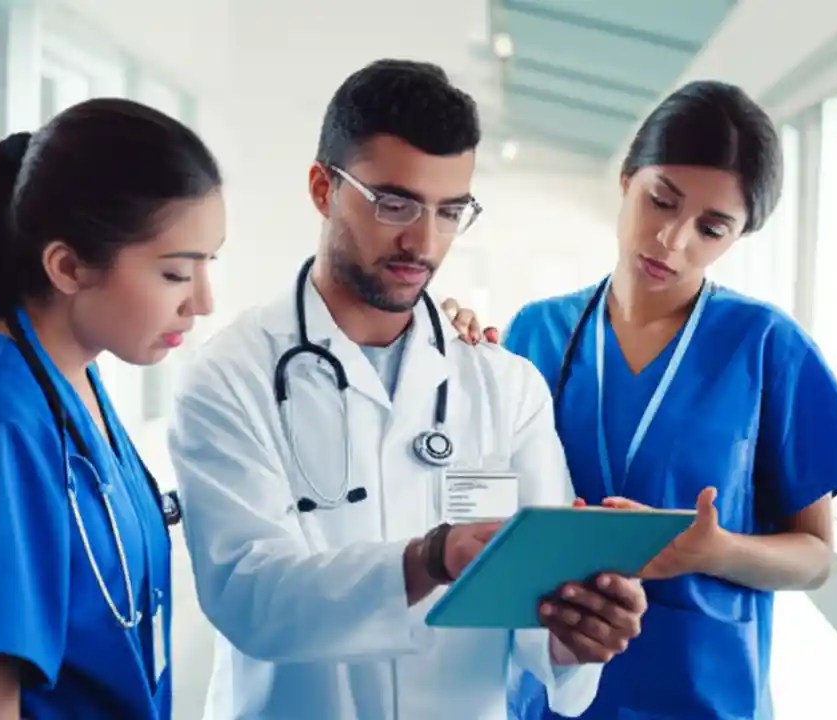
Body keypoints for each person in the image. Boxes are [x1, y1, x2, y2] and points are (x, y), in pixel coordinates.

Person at [168, 59, 646, 720]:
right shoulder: (230, 377)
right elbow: (248, 596)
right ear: (321, 188)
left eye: (450, 211)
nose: (423, 241)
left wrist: (576, 635)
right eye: (394, 204)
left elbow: (537, 601)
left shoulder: (505, 387)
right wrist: (428, 559)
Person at [443, 80, 837, 719]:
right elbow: (478, 500)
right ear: (626, 179)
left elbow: (814, 559)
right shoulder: (536, 331)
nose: (673, 241)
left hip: (703, 696)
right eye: (661, 201)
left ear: (740, 235)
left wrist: (717, 550)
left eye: (712, 227)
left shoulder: (766, 346)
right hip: (554, 693)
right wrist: (454, 361)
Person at [0, 98, 225, 719]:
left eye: (207, 265)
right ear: (67, 266)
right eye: (176, 274)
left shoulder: (73, 380)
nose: (202, 301)